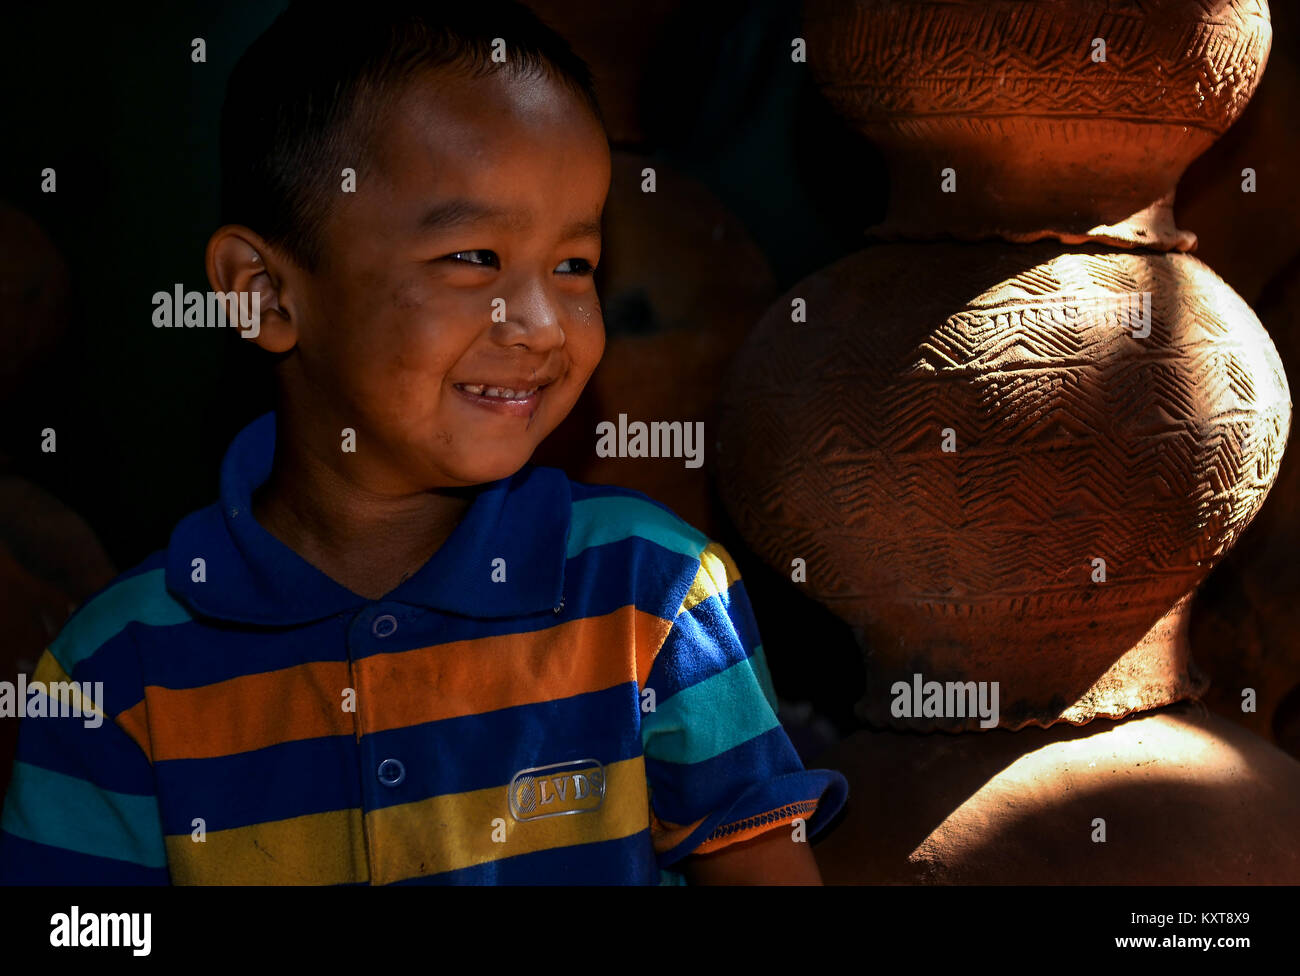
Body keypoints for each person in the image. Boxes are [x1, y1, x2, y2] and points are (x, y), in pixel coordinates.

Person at [0, 0, 846, 885]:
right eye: (474, 258)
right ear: (265, 295)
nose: (541, 325)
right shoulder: (117, 674)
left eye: (574, 265)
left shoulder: (654, 598)